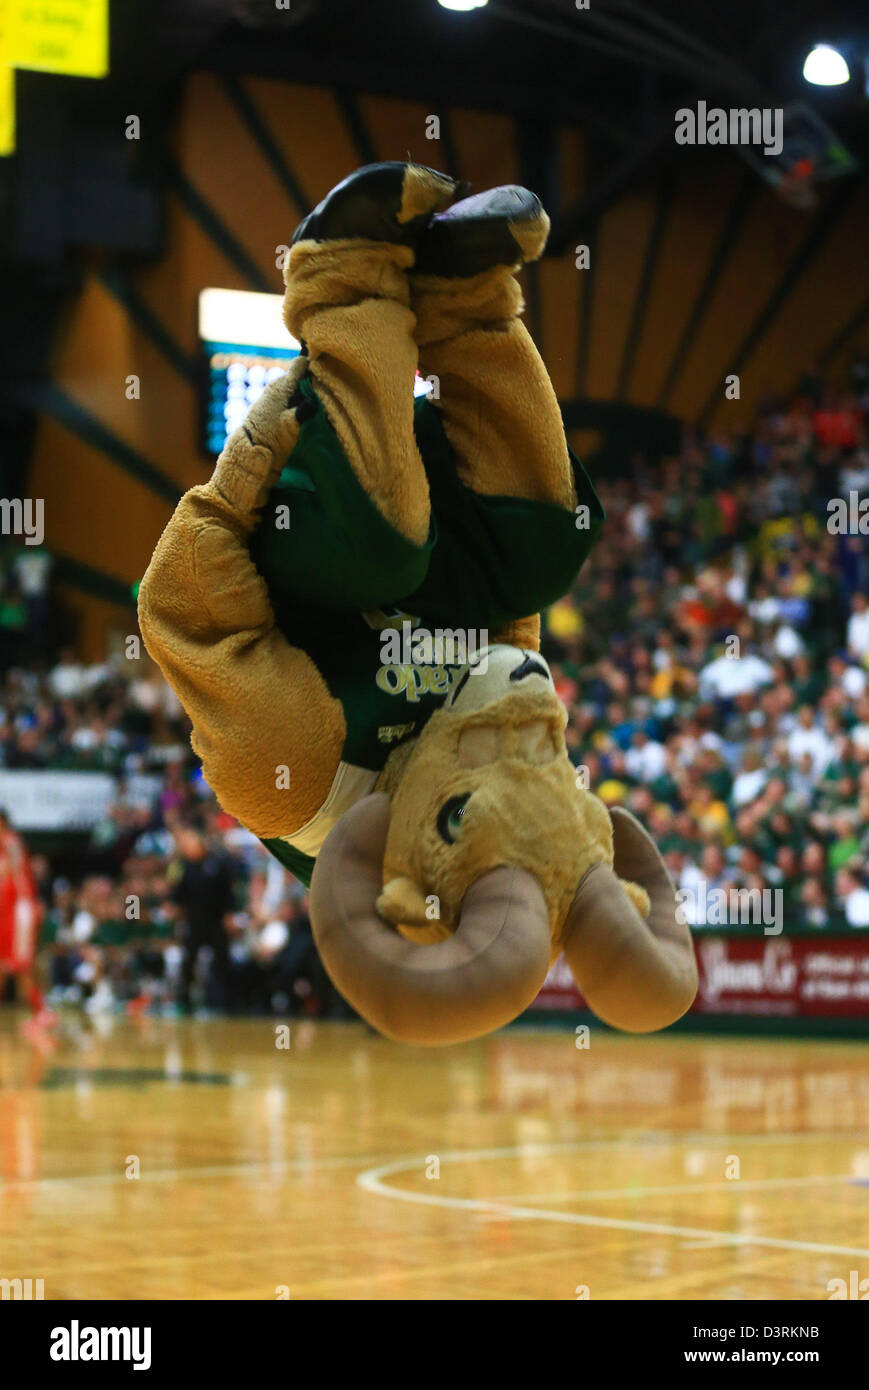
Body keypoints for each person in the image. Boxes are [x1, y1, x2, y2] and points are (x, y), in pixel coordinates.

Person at [168, 824, 237, 1013]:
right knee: (188, 962)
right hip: (194, 923)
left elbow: (227, 893)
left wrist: (229, 915)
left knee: (222, 962)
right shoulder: (185, 868)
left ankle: (227, 1002)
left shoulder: (218, 864)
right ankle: (185, 1002)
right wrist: (173, 909)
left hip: (216, 921)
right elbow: (177, 894)